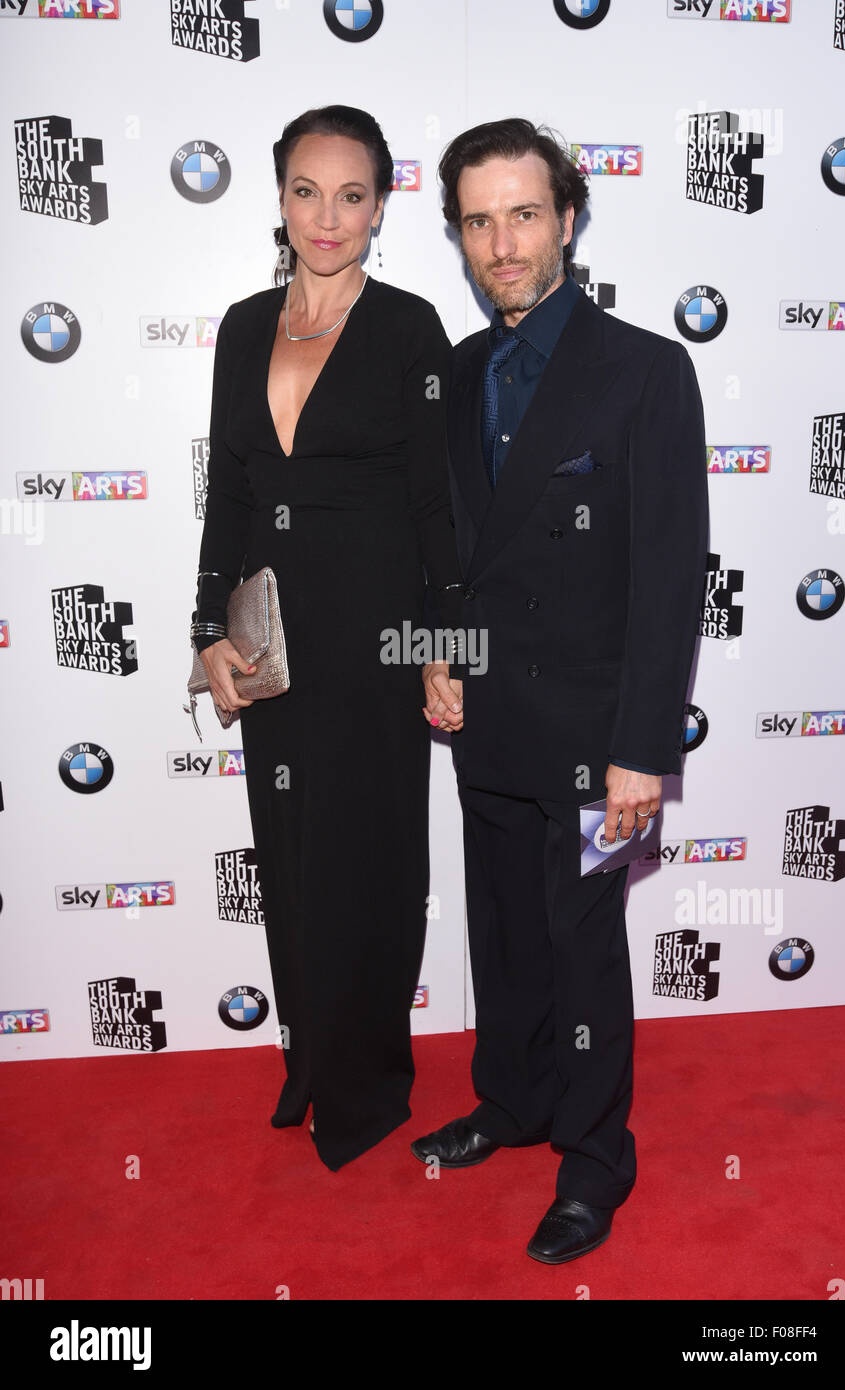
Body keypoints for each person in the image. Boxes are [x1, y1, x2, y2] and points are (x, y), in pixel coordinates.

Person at [410, 118, 709, 1262]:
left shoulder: (643, 368)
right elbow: (450, 547)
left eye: (523, 213)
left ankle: (594, 1158)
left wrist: (644, 748)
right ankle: (515, 1100)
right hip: (486, 720)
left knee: (582, 943)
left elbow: (670, 570)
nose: (503, 242)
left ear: (569, 219)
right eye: (478, 221)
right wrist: (434, 650)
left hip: (597, 735)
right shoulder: (462, 371)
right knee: (503, 934)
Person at [190, 105, 464, 1171]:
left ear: (382, 206)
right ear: (280, 197)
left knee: (374, 853)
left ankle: (370, 1077)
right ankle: (309, 1057)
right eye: (308, 191)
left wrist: (448, 642)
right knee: (294, 850)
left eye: (352, 195)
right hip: (276, 639)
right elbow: (230, 490)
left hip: (382, 629)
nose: (328, 216)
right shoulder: (242, 325)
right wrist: (209, 625)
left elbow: (438, 501)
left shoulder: (410, 329)